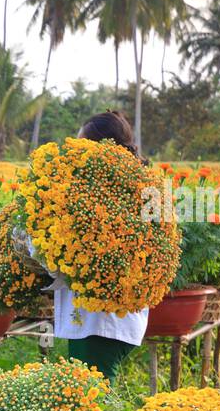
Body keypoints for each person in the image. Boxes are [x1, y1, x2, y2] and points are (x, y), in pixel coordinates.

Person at [44, 111, 150, 381]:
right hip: (119, 318)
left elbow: (63, 251)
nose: (76, 153)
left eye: (83, 146)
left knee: (93, 399)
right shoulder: (149, 185)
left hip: (98, 321)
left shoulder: (95, 195)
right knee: (91, 394)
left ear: (104, 149)